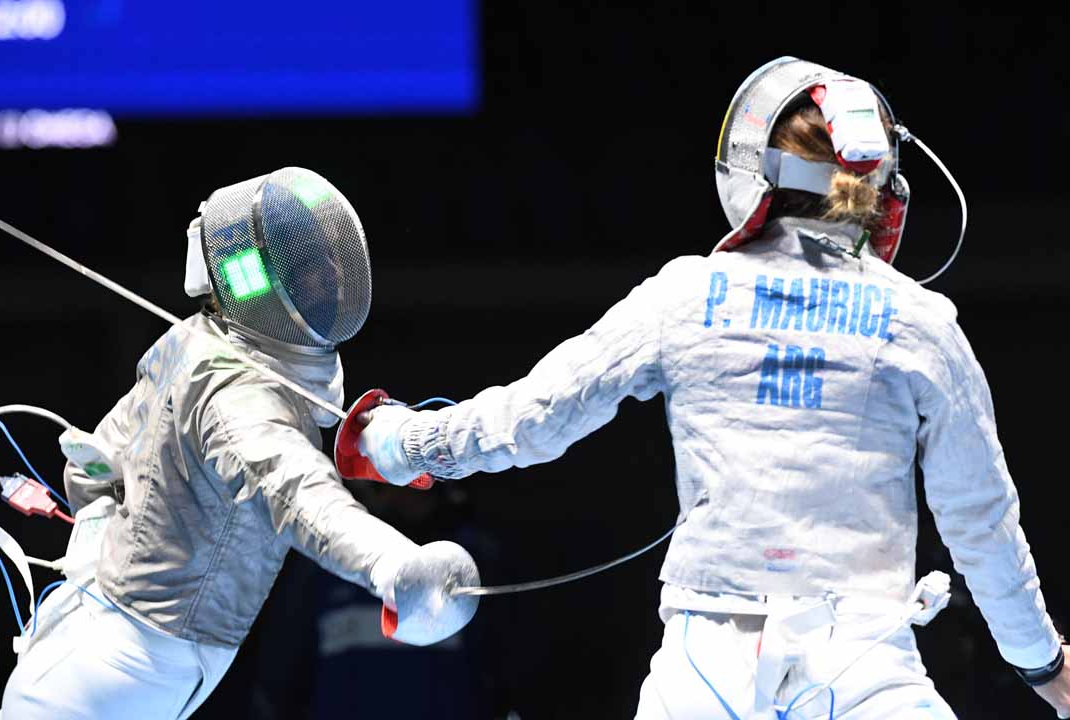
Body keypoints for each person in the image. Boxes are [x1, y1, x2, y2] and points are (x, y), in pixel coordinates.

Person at [355, 58, 1070, 718]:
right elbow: (981, 524)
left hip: (705, 669)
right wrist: (1044, 665)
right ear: (880, 185)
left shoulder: (687, 295)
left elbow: (536, 416)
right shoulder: (921, 322)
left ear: (750, 169)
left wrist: (395, 443)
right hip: (865, 666)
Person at [0, 167, 478, 719]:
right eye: (307, 272)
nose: (325, 282)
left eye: (326, 269)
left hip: (139, 656)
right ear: (254, 279)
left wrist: (96, 547)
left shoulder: (189, 344)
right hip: (118, 662)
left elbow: (93, 466)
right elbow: (298, 493)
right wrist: (392, 564)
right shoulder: (235, 391)